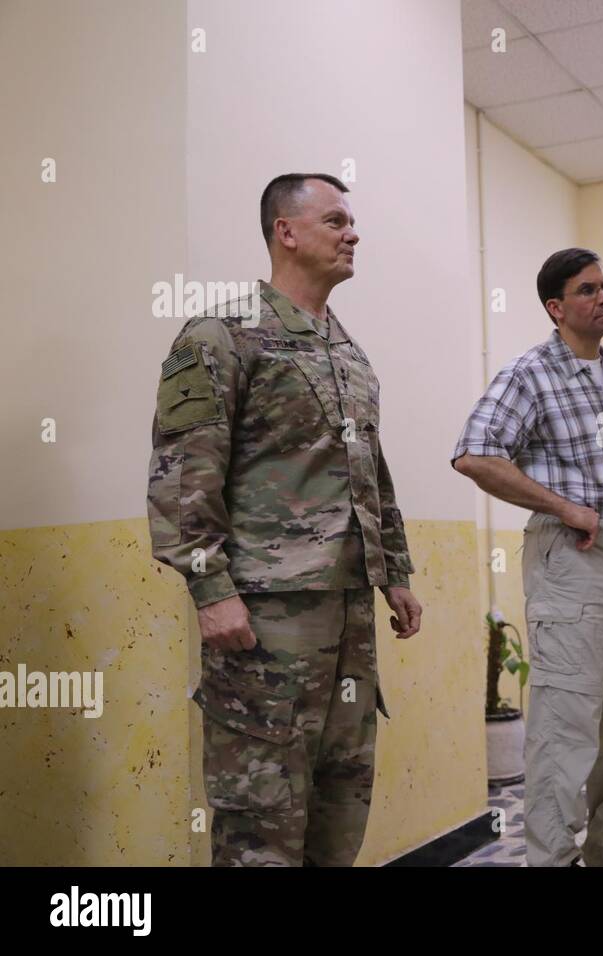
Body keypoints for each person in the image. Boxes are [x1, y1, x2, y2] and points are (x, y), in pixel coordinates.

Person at [146, 173, 422, 866]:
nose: (352, 232)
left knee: (341, 793)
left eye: (352, 221)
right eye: (336, 220)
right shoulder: (220, 335)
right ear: (286, 231)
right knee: (260, 812)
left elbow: (373, 473)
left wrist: (395, 574)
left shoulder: (349, 354)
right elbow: (184, 473)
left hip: (349, 613)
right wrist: (211, 591)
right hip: (265, 616)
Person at [451, 248, 603, 867]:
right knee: (566, 725)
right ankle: (551, 859)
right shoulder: (530, 375)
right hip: (575, 558)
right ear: (556, 308)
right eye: (588, 290)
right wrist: (565, 507)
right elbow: (474, 454)